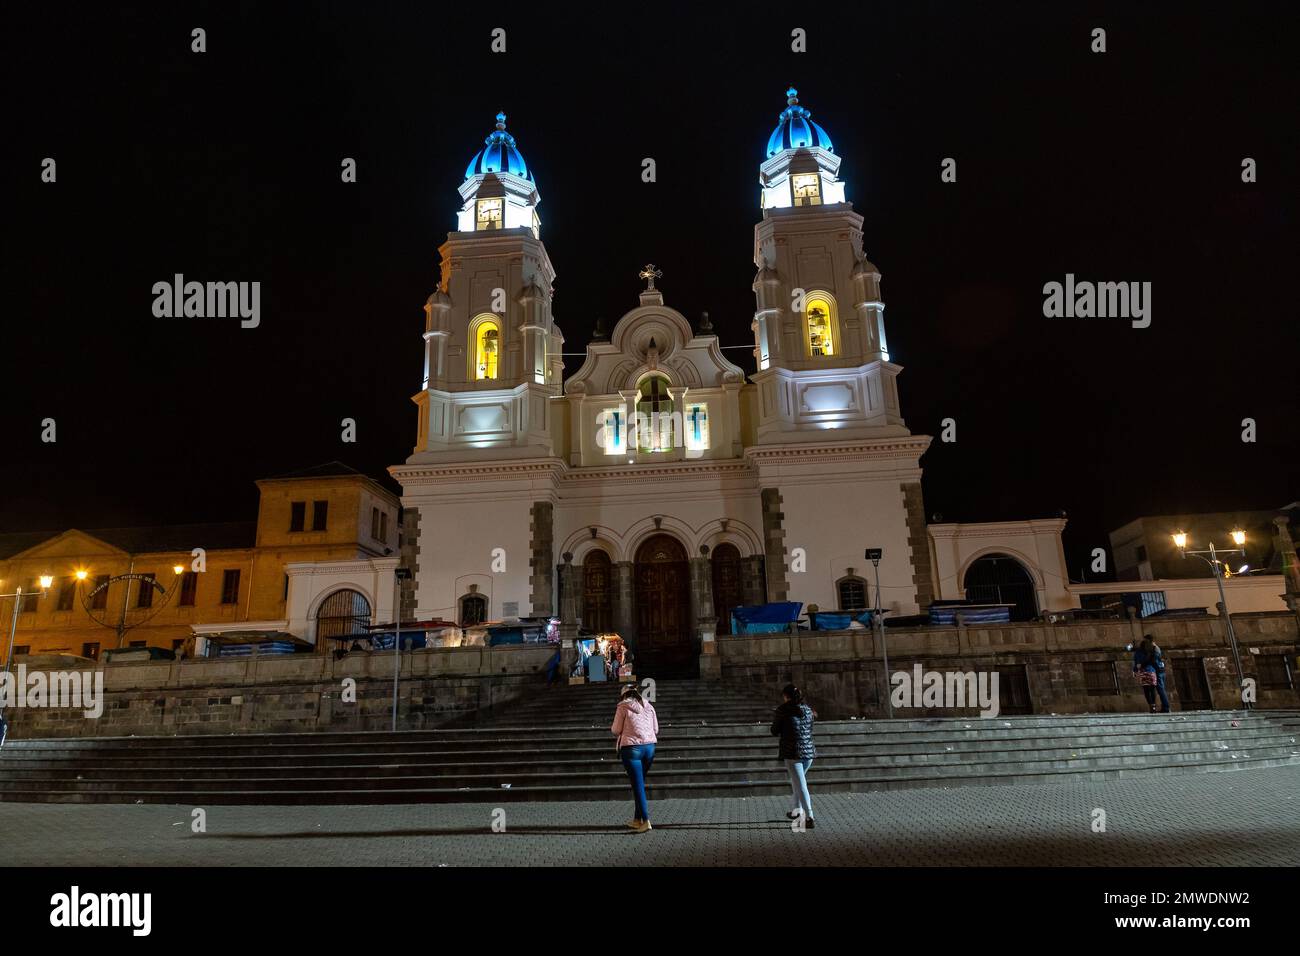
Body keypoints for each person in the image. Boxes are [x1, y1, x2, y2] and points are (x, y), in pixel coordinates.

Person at [610, 684, 658, 833]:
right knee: (639, 783)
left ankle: (646, 821)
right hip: (649, 748)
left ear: (624, 695)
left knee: (638, 786)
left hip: (632, 750)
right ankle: (637, 820)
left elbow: (616, 730)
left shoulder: (622, 707)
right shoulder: (649, 706)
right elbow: (656, 729)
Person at [771, 683, 817, 828]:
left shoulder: (783, 710)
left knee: (801, 784)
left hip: (792, 752)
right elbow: (810, 728)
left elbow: (774, 730)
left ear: (786, 696)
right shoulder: (808, 710)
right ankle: (796, 811)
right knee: (797, 782)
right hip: (808, 752)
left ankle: (809, 816)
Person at [1132, 634, 1169, 713]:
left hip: (1156, 670)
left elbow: (1151, 660)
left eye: (1145, 640)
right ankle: (1159, 707)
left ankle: (1164, 707)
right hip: (1156, 670)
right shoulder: (1153, 648)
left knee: (1156, 690)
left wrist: (1139, 666)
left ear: (1148, 640)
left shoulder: (1153, 649)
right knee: (1155, 690)